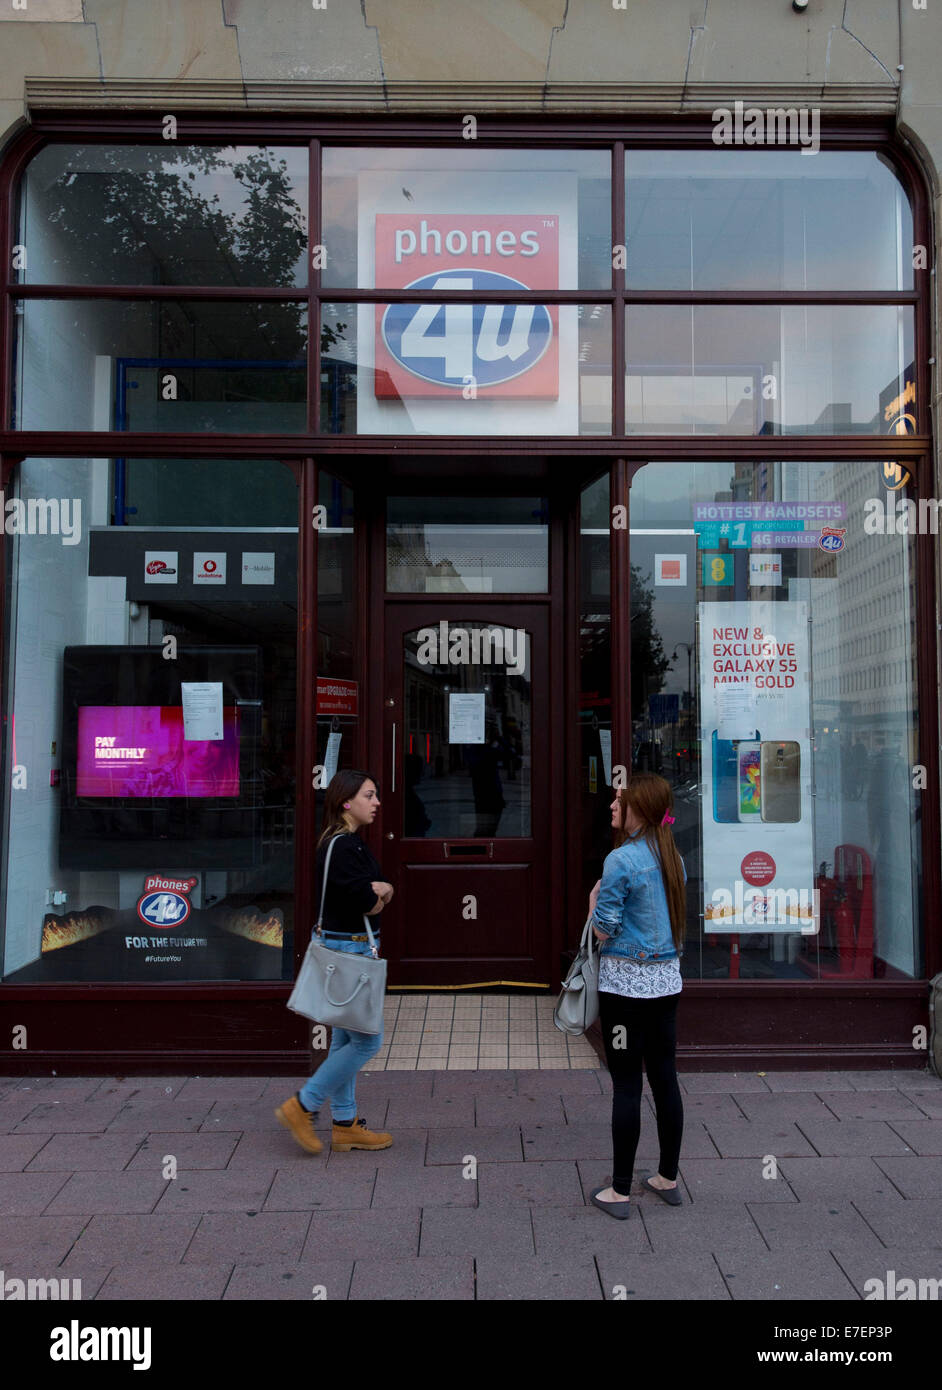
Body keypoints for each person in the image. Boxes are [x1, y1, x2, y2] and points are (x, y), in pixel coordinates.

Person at [276, 769, 395, 1154]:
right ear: (346, 802)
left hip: (342, 949)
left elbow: (367, 894)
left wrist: (380, 889)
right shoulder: (344, 847)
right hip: (350, 952)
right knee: (367, 1041)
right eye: (369, 795)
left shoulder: (336, 843)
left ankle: (345, 1123)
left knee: (344, 1038)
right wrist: (385, 890)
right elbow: (370, 902)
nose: (376, 802)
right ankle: (303, 1105)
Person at [586, 772, 686, 1218]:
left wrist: (592, 906)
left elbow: (604, 927)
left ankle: (620, 1192)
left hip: (624, 990)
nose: (611, 807)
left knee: (626, 1085)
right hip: (666, 985)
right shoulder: (673, 859)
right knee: (665, 1079)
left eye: (618, 802)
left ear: (638, 811)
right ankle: (667, 1177)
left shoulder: (621, 861)